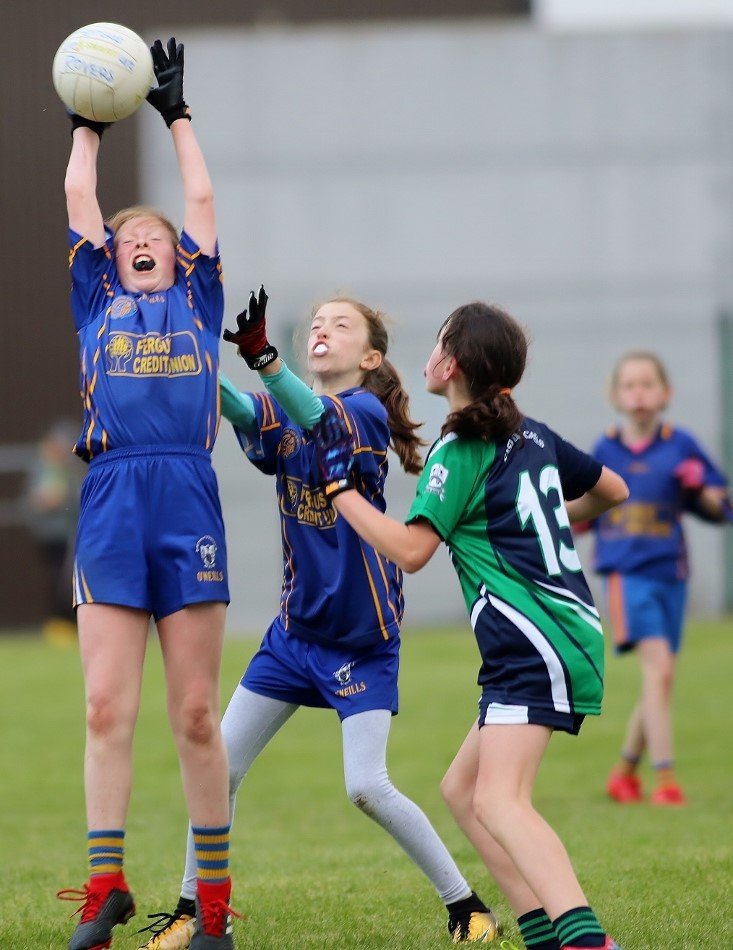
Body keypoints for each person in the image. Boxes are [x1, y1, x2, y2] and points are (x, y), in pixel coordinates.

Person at [138, 288, 499, 949]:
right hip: (293, 636)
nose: (322, 330)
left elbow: (315, 415)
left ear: (370, 358)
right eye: (317, 324)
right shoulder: (287, 405)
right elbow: (240, 405)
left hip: (361, 640)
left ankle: (465, 905)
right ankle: (195, 910)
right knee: (217, 766)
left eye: (341, 325)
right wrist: (180, 347)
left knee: (366, 787)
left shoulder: (363, 413)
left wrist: (264, 358)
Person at [312, 301, 629, 950]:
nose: (427, 357)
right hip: (556, 633)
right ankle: (542, 934)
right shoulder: (532, 435)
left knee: (500, 802)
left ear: (452, 365)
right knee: (462, 790)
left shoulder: (458, 448)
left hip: (534, 640)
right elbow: (613, 490)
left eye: (436, 345)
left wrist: (341, 493)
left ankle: (588, 940)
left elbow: (410, 552)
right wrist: (544, 519)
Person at [55, 37, 236, 950]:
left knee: (196, 715)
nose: (139, 241)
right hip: (114, 495)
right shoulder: (97, 301)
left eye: (153, 238)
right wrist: (87, 123)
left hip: (186, 494)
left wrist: (177, 116)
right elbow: (78, 197)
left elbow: (199, 201)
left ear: (177, 258)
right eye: (127, 238)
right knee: (104, 708)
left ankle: (214, 908)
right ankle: (105, 887)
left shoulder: (198, 301)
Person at [583, 351, 730, 807]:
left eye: (648, 384)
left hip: (672, 574)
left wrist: (700, 488)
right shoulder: (605, 450)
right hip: (626, 577)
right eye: (629, 385)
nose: (639, 394)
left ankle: (624, 774)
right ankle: (665, 781)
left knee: (660, 679)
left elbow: (721, 506)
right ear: (615, 395)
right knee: (659, 670)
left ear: (666, 393)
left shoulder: (681, 445)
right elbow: (580, 512)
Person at [23, 419, 82, 643]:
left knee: (68, 579)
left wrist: (61, 498)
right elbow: (29, 503)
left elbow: (77, 500)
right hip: (48, 536)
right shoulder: (40, 469)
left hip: (68, 536)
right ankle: (59, 623)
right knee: (56, 578)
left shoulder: (72, 470)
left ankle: (69, 621)